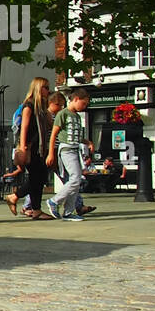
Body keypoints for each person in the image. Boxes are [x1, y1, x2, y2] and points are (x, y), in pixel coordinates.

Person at [47, 88, 93, 220]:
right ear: (76, 99)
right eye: (83, 103)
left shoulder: (77, 117)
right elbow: (54, 135)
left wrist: (87, 142)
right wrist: (51, 153)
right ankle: (54, 201)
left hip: (75, 149)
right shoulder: (63, 114)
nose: (84, 107)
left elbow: (76, 137)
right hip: (66, 150)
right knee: (75, 178)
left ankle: (68, 211)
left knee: (76, 181)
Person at [16, 76, 53, 219]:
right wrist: (23, 146)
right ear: (38, 88)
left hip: (40, 148)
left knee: (39, 178)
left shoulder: (42, 108)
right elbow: (24, 127)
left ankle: (36, 209)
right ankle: (15, 196)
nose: (48, 91)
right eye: (46, 88)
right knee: (37, 178)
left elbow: (49, 125)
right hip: (31, 147)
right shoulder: (29, 105)